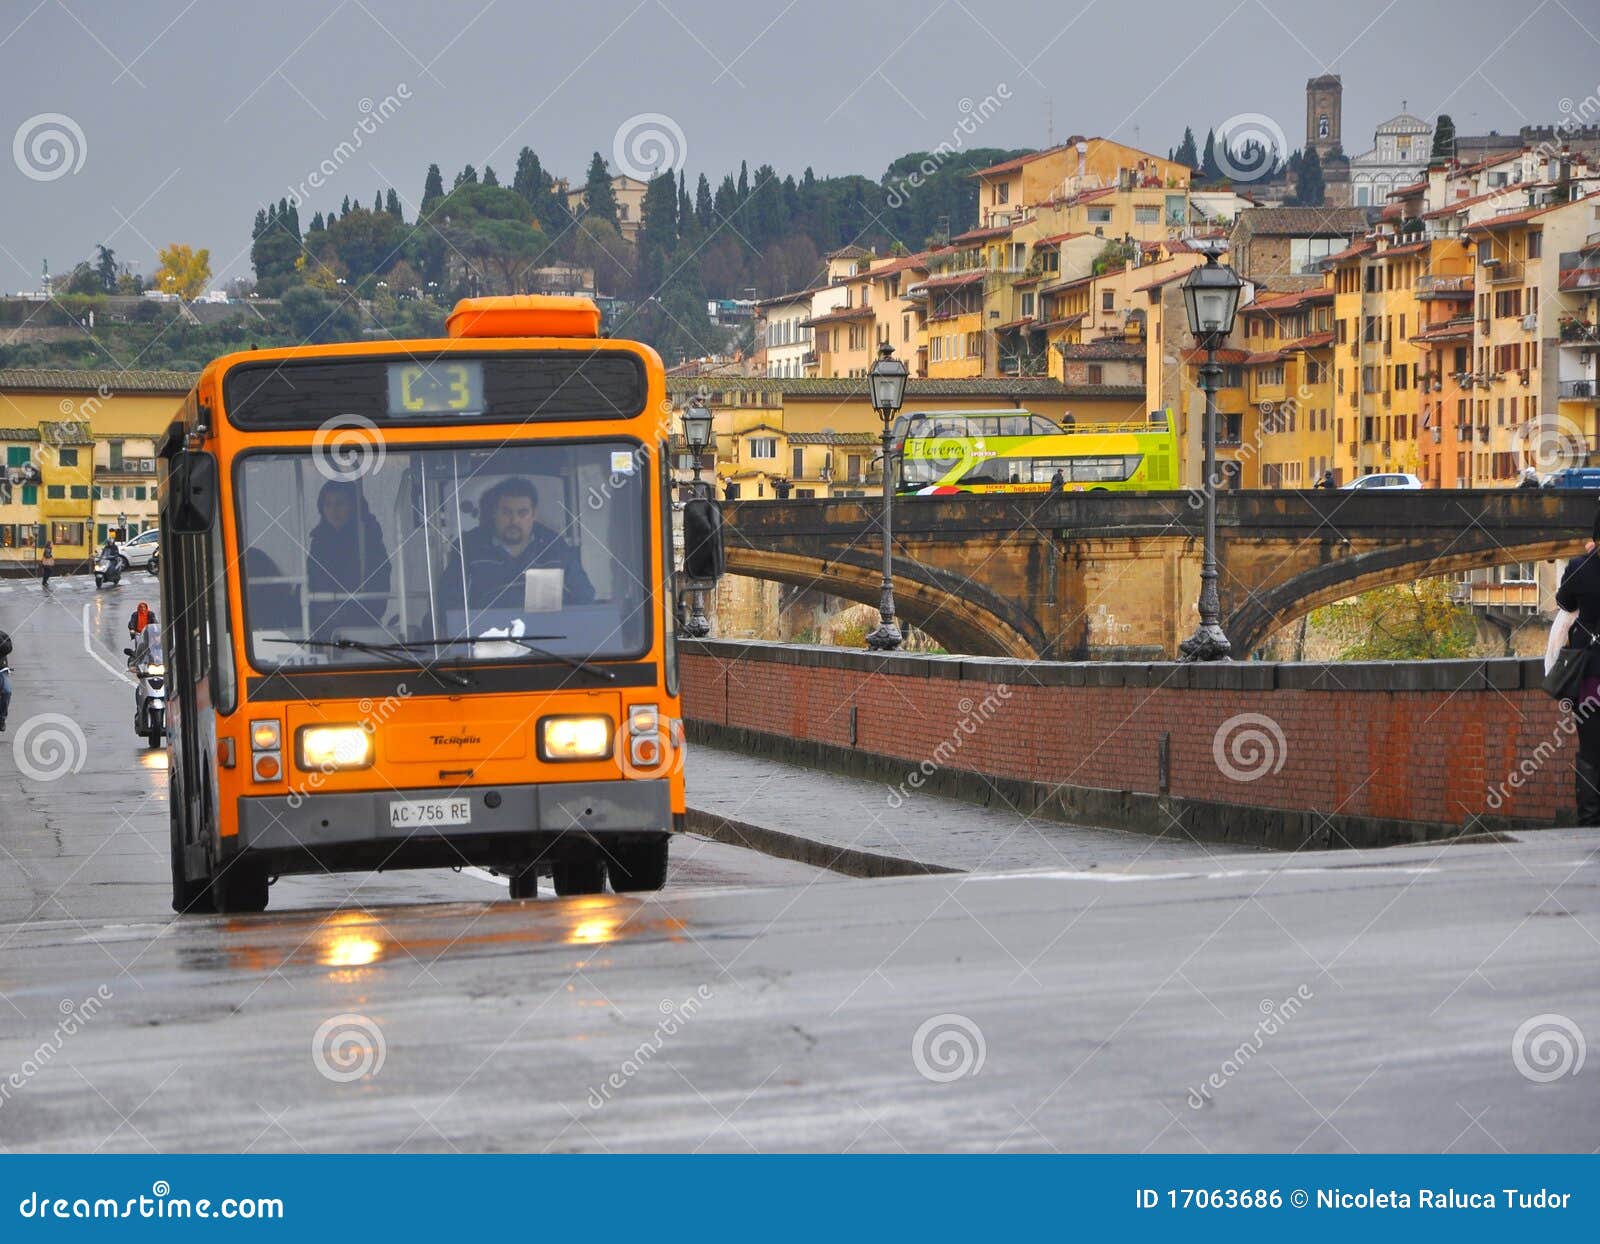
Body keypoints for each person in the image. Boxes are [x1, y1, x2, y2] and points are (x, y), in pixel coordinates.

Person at [441, 477, 595, 618]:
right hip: (488, 637)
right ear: (494, 513)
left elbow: (584, 599)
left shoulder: (555, 547)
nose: (514, 520)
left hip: (547, 635)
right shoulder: (469, 548)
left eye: (523, 513)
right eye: (506, 512)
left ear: (534, 514)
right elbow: (449, 607)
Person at [1544, 518, 1600, 824]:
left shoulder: (1580, 566)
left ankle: (1590, 817)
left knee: (1590, 747)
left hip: (1590, 674)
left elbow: (1564, 601)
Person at [306, 481, 391, 636]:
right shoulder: (318, 543)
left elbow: (379, 585)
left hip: (361, 627)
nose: (333, 510)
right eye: (328, 504)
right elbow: (310, 581)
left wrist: (347, 613)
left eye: (340, 503)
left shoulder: (369, 540)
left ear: (353, 506)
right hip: (320, 627)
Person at [0, 626, 11, 733]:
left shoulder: (2, 635)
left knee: (7, 690)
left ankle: (1, 718)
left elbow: (8, 648)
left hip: (1, 669)